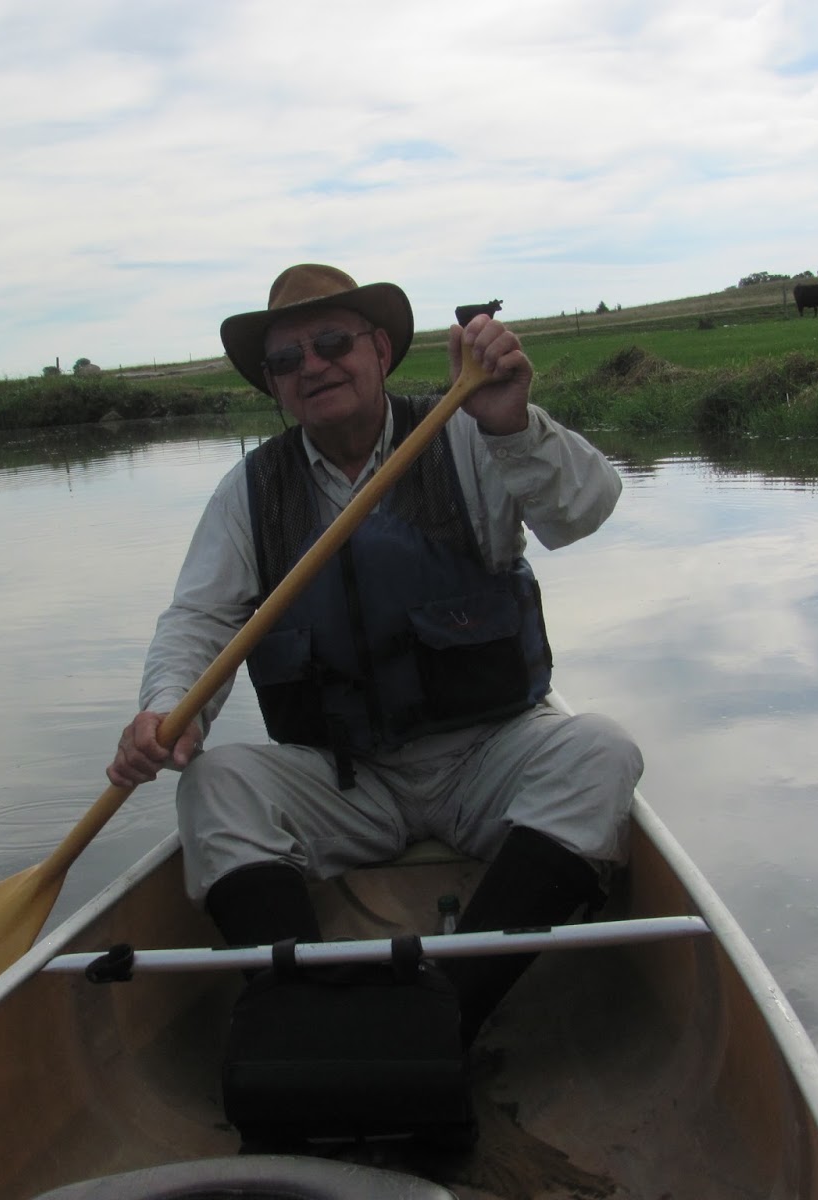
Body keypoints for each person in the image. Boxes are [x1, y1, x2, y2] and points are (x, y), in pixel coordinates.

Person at [108, 264, 643, 1045]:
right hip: (346, 779)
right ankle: (314, 1024)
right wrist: (168, 709)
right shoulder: (248, 492)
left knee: (601, 751)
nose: (312, 366)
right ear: (273, 385)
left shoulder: (472, 433)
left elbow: (585, 508)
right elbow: (199, 620)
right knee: (215, 784)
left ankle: (443, 1015)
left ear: (381, 351)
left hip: (487, 756)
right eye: (286, 359)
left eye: (332, 342)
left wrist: (511, 424)